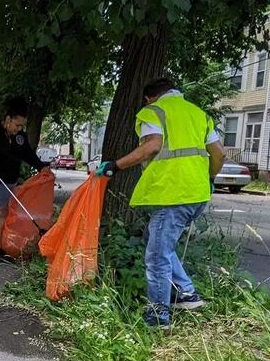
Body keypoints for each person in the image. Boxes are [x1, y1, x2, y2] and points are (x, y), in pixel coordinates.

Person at [95, 78, 225, 329]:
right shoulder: (198, 114)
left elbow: (152, 145)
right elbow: (219, 153)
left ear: (149, 98)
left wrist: (115, 166)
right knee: (158, 245)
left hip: (172, 195)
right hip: (197, 193)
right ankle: (186, 293)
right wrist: (209, 178)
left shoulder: (153, 111)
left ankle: (158, 317)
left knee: (156, 256)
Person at [0, 100, 48, 263]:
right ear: (8, 119)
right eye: (17, 125)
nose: (19, 129)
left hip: (8, 178)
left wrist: (41, 167)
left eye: (22, 126)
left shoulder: (19, 137)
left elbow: (28, 154)